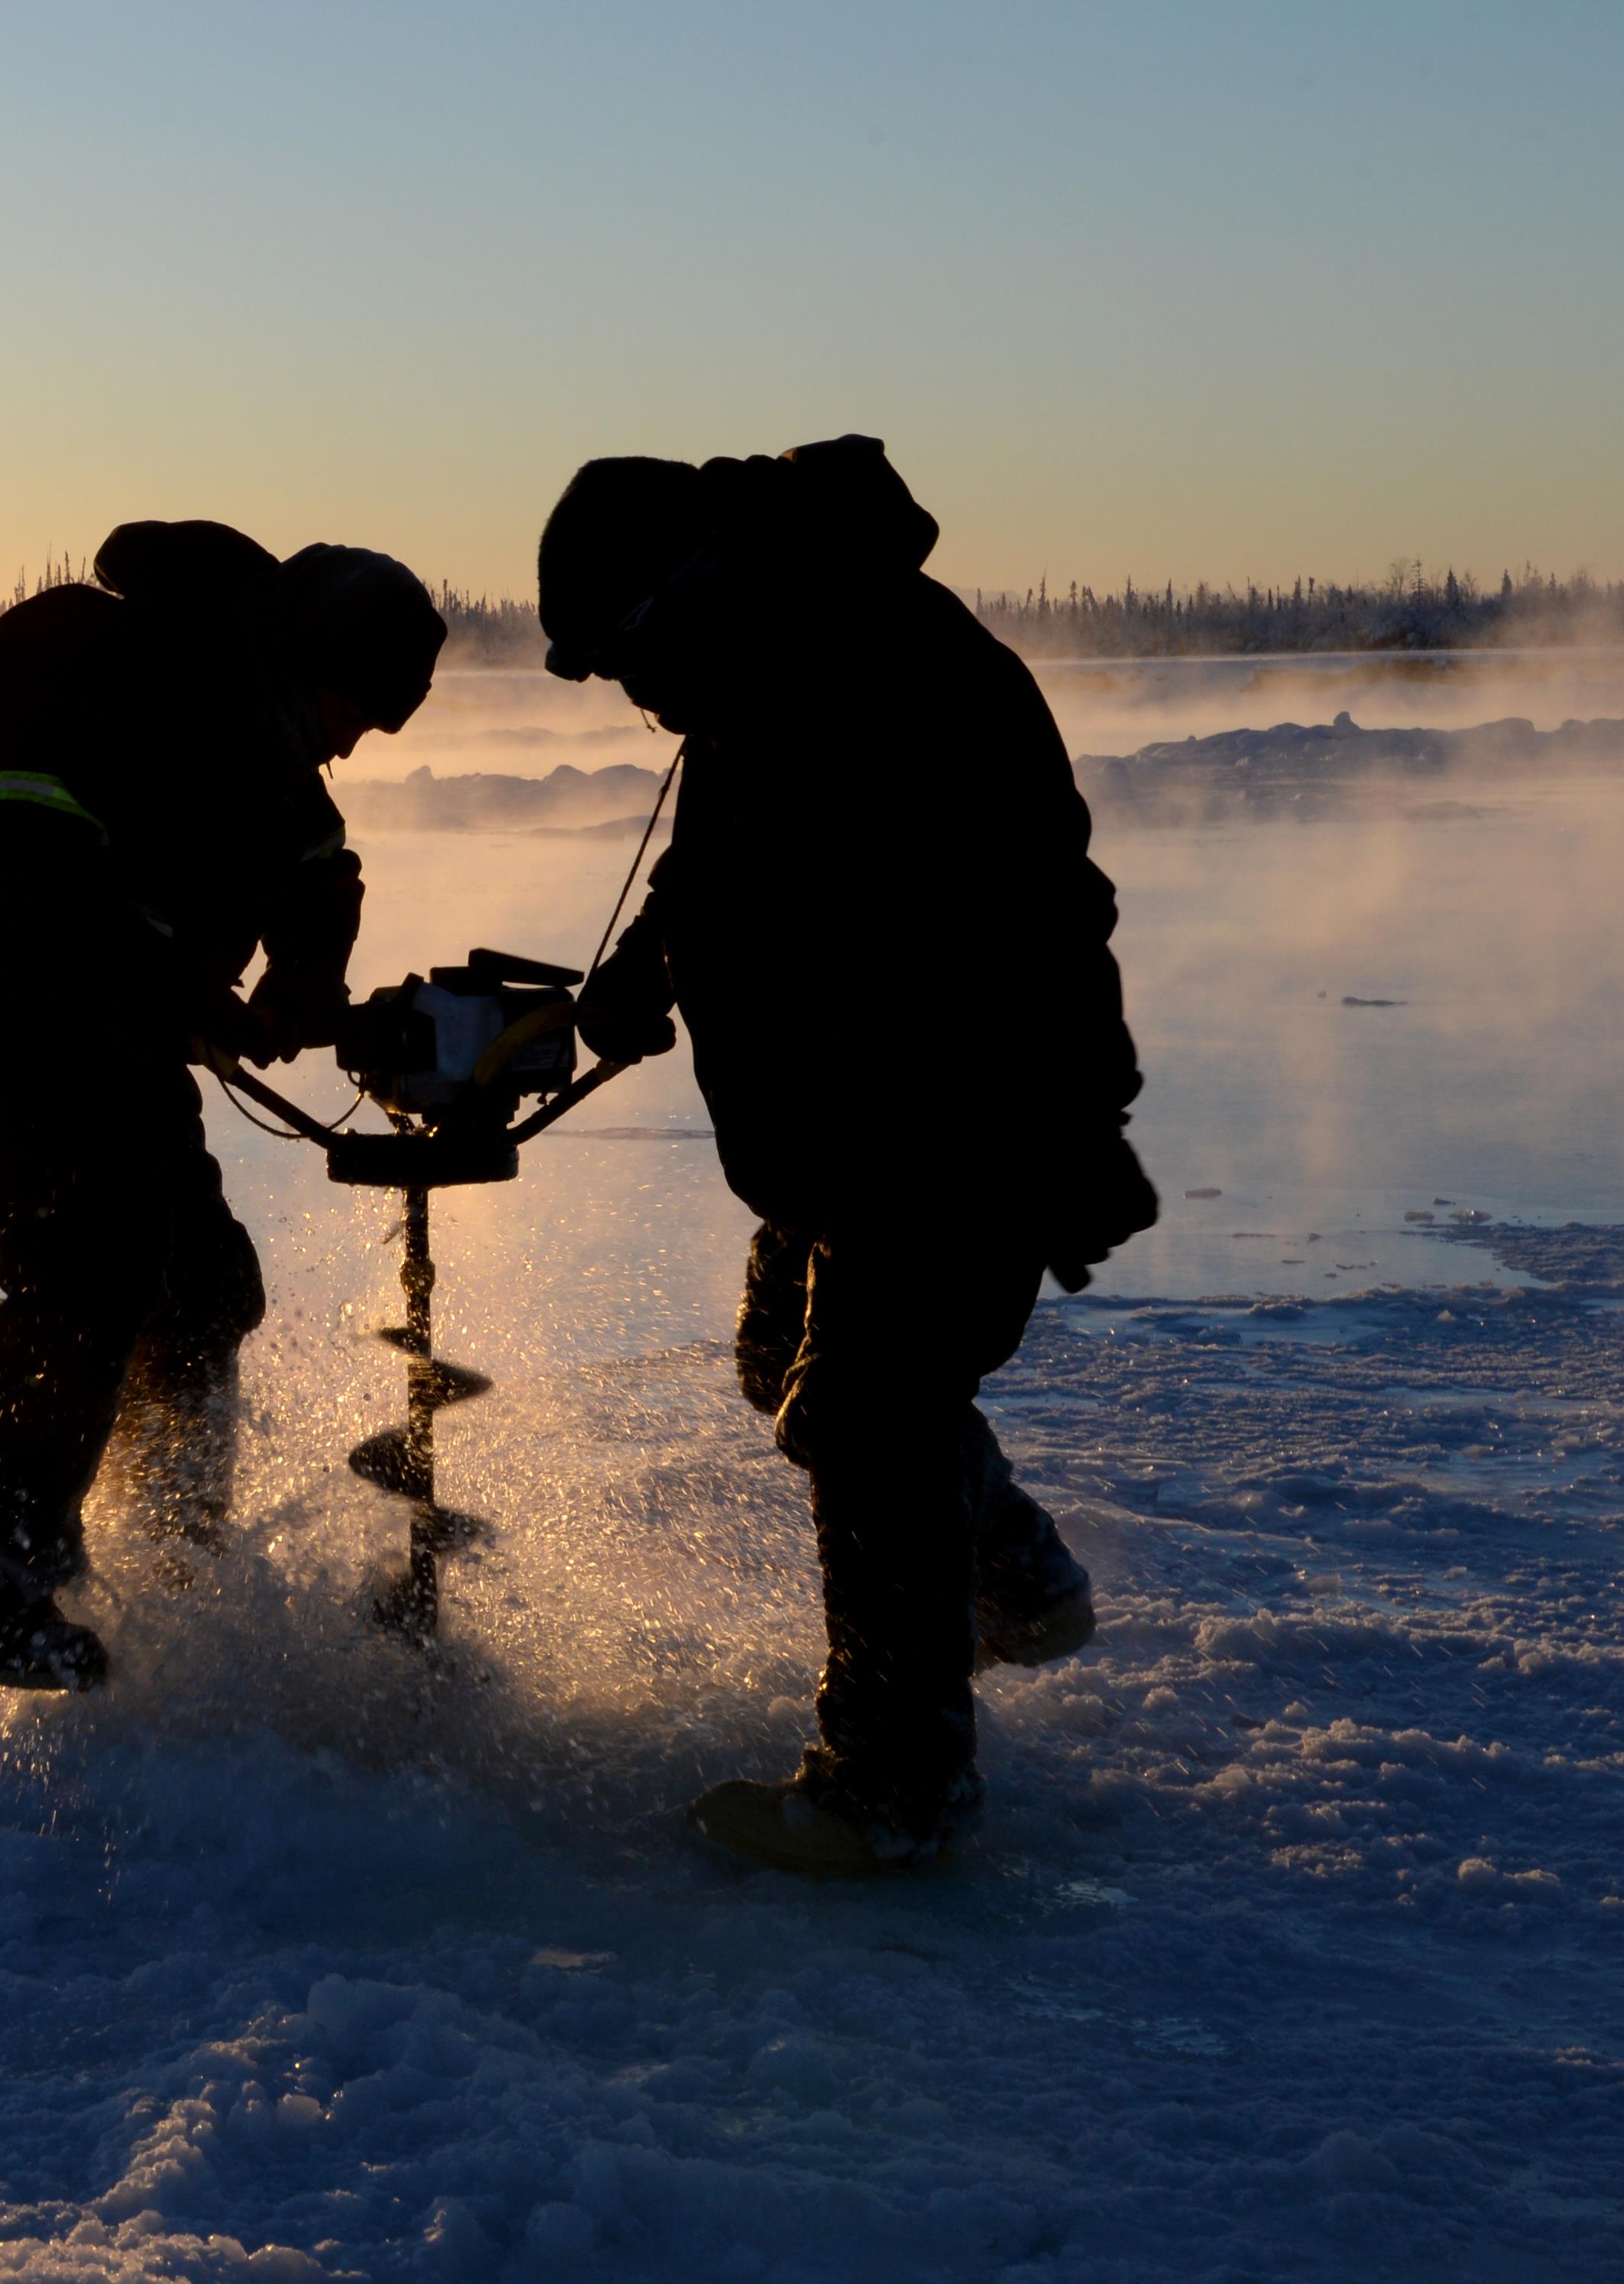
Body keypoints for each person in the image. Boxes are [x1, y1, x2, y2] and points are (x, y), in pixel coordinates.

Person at [538, 438, 1156, 1872]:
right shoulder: (767, 669)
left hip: (946, 1119)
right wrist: (644, 975)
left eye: (625, 660)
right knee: (799, 1374)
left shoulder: (881, 664)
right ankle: (1015, 1578)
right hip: (843, 1133)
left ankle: (896, 1786)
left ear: (675, 589)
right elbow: (736, 877)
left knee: (871, 1416)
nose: (636, 699)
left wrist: (1074, 1127)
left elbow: (1037, 912)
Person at [0, 520, 448, 1691]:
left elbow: (315, 869)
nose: (347, 746)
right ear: (298, 659)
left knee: (201, 1288)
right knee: (88, 1265)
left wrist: (303, 976)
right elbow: (27, 867)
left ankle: (173, 1554)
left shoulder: (272, 744)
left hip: (120, 1039)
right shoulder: (117, 682)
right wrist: (183, 984)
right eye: (349, 709)